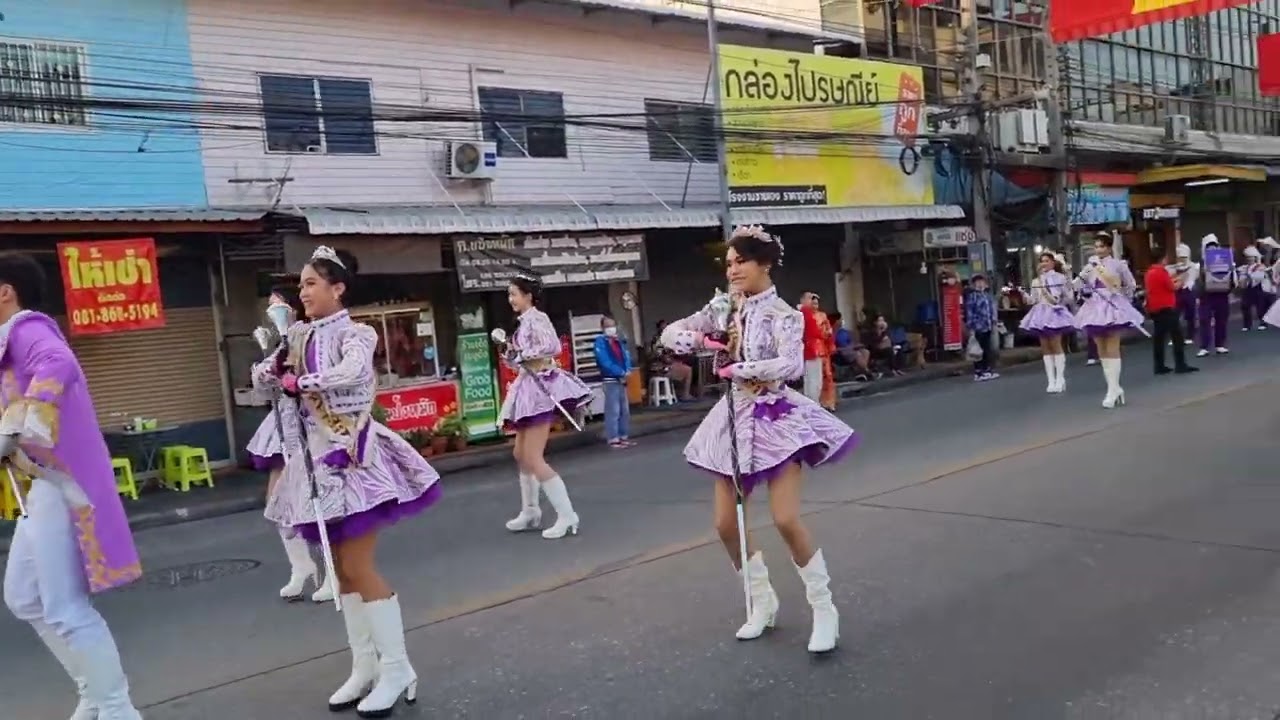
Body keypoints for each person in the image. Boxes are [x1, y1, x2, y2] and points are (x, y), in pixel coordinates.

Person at [254, 246, 442, 716]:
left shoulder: (356, 333)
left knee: (358, 565)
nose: (302, 293)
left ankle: (396, 667)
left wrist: (302, 382)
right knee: (340, 570)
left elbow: (353, 371)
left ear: (337, 288)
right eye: (300, 285)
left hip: (355, 459)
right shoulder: (296, 335)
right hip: (316, 465)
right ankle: (365, 667)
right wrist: (274, 368)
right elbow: (261, 378)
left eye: (311, 284)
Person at [661, 225, 857, 654]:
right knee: (725, 524)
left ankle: (824, 609)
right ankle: (762, 601)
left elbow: (789, 365)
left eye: (740, 262)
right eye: (728, 263)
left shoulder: (784, 314)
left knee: (785, 518)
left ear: (764, 264)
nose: (732, 270)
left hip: (776, 418)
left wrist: (738, 369)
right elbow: (670, 333)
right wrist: (704, 339)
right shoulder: (723, 306)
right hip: (733, 418)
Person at [0, 253, 145, 719]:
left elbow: (58, 362)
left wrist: (15, 426)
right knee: (24, 597)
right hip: (43, 483)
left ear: (5, 291)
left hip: (63, 483)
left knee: (65, 607)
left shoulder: (26, 328)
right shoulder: (10, 341)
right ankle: (94, 693)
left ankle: (118, 710)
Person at [246, 285, 334, 605]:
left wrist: (291, 372)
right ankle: (302, 565)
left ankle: (334, 571)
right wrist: (271, 369)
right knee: (278, 501)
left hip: (312, 425)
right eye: (270, 307)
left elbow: (318, 374)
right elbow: (261, 382)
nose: (274, 312)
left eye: (279, 306)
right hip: (282, 426)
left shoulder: (313, 336)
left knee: (317, 500)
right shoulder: (279, 344)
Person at [499, 273, 593, 540]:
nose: (511, 299)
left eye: (514, 294)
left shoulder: (537, 318)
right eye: (509, 295)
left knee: (533, 456)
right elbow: (521, 359)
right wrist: (511, 357)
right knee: (520, 453)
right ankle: (530, 510)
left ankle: (567, 515)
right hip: (527, 387)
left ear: (528, 296)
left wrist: (522, 355)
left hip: (540, 389)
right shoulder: (523, 322)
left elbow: (551, 346)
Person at [1074, 233, 1144, 408]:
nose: (1099, 250)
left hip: (1112, 305)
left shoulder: (1118, 264)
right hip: (1094, 307)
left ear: (1109, 247)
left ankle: (1112, 390)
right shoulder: (1090, 266)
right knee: (1101, 348)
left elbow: (1130, 284)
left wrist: (1123, 298)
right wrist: (1083, 286)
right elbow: (1078, 285)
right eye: (1096, 247)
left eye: (1102, 246)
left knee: (1112, 346)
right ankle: (1114, 388)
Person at [1018, 251, 1075, 393]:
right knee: (1045, 347)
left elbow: (1065, 297)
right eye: (1042, 261)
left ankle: (1060, 378)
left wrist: (1057, 300)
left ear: (1053, 263)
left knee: (1056, 344)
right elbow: (1033, 300)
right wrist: (1024, 295)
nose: (1044, 264)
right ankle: (1051, 380)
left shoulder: (1059, 277)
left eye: (1047, 261)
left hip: (1054, 312)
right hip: (1040, 313)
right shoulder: (1035, 281)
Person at [1146, 250, 1198, 376]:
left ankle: (1159, 365)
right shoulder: (1161, 271)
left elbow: (1164, 284)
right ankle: (1180, 364)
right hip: (1166, 307)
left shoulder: (1149, 272)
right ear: (1162, 258)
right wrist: (1182, 279)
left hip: (1154, 307)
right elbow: (1172, 287)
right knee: (1177, 336)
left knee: (1159, 337)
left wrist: (1176, 277)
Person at [593, 315, 633, 448]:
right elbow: (604, 361)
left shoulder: (618, 341)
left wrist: (627, 370)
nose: (611, 328)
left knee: (624, 411)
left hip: (622, 380)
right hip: (610, 380)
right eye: (607, 326)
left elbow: (626, 356)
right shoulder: (600, 342)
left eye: (612, 325)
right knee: (613, 410)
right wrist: (620, 372)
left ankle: (623, 436)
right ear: (602, 328)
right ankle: (613, 438)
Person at [1197, 233, 1233, 357]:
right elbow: (1198, 281)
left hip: (1221, 294)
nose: (1211, 248)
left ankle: (1220, 344)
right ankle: (1204, 346)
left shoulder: (1225, 259)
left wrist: (1231, 273)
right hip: (1206, 295)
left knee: (1221, 319)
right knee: (1204, 320)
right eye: (1208, 246)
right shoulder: (1201, 263)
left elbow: (1231, 278)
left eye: (1213, 246)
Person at [962, 273, 999, 381]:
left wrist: (994, 321)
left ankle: (987, 370)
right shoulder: (972, 296)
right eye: (977, 282)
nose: (980, 284)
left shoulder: (987, 295)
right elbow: (970, 312)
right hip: (978, 327)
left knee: (987, 349)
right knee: (977, 350)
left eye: (982, 281)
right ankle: (978, 371)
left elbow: (991, 310)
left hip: (988, 326)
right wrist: (971, 327)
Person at [648, 321, 695, 401]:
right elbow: (664, 358)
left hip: (657, 367)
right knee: (688, 370)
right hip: (660, 369)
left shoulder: (657, 339)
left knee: (681, 365)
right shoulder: (660, 340)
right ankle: (685, 394)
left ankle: (678, 392)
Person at [1169, 243, 1199, 345]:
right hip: (1177, 292)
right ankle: (1175, 337)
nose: (1182, 259)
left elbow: (1195, 278)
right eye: (1180, 257)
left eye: (1184, 257)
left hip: (1189, 291)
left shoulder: (1194, 266)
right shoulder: (1173, 268)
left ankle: (1190, 335)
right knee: (1174, 315)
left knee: (1191, 315)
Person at [1237, 245, 1271, 332]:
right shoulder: (1244, 268)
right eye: (1248, 257)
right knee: (1245, 306)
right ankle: (1247, 325)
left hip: (1258, 288)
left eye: (1251, 257)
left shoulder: (1261, 266)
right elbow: (1241, 279)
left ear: (1255, 258)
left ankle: (1263, 323)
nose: (1249, 259)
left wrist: (1250, 275)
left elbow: (1260, 276)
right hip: (1248, 289)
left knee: (1261, 307)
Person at [798, 292, 824, 402]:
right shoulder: (805, 313)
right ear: (803, 300)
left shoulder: (802, 313)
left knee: (809, 378)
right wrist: (821, 333)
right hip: (811, 349)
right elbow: (813, 331)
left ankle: (811, 402)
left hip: (809, 349)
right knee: (814, 379)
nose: (811, 301)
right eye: (809, 298)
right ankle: (814, 402)